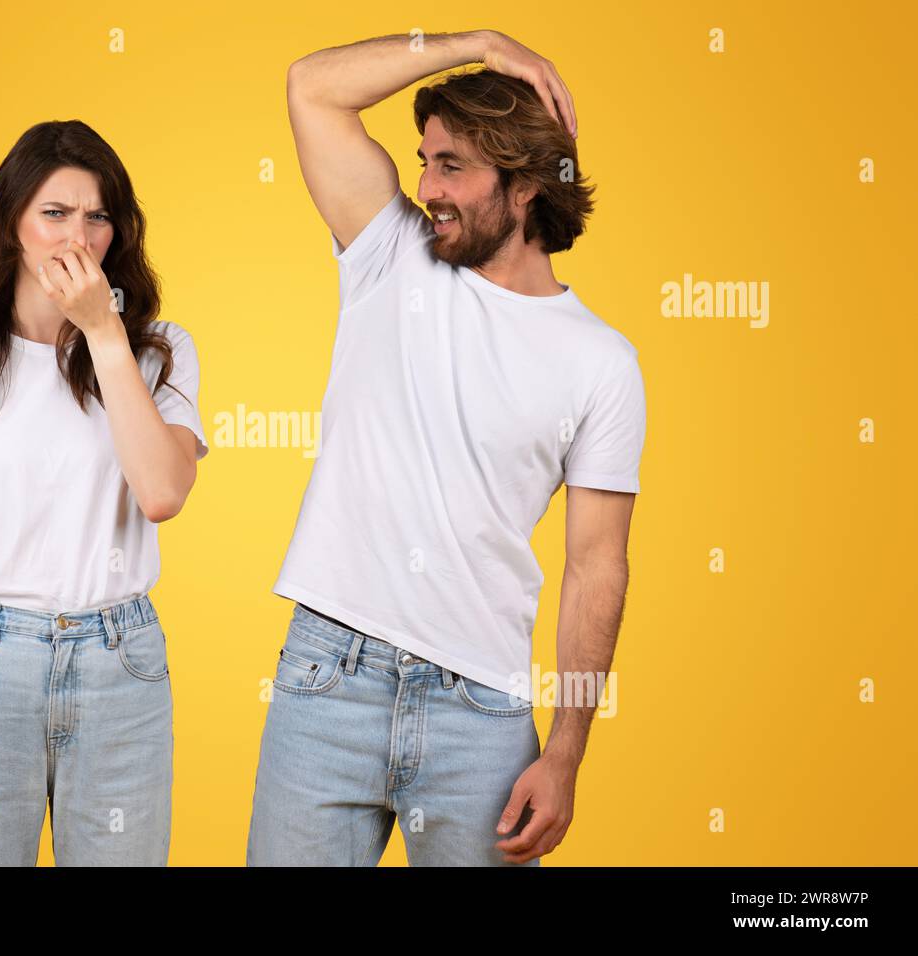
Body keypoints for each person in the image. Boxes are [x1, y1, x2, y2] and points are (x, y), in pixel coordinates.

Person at [247, 29, 646, 866]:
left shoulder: (602, 363)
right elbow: (312, 87)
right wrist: (474, 43)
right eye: (423, 160)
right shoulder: (389, 254)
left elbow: (596, 569)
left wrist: (567, 752)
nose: (425, 186)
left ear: (528, 186)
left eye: (452, 166)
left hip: (484, 713)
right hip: (329, 681)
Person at [0, 120, 208, 866]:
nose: (77, 236)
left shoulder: (161, 351)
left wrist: (104, 333)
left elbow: (161, 492)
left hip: (121, 662)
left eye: (96, 215)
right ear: (12, 225)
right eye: (54, 214)